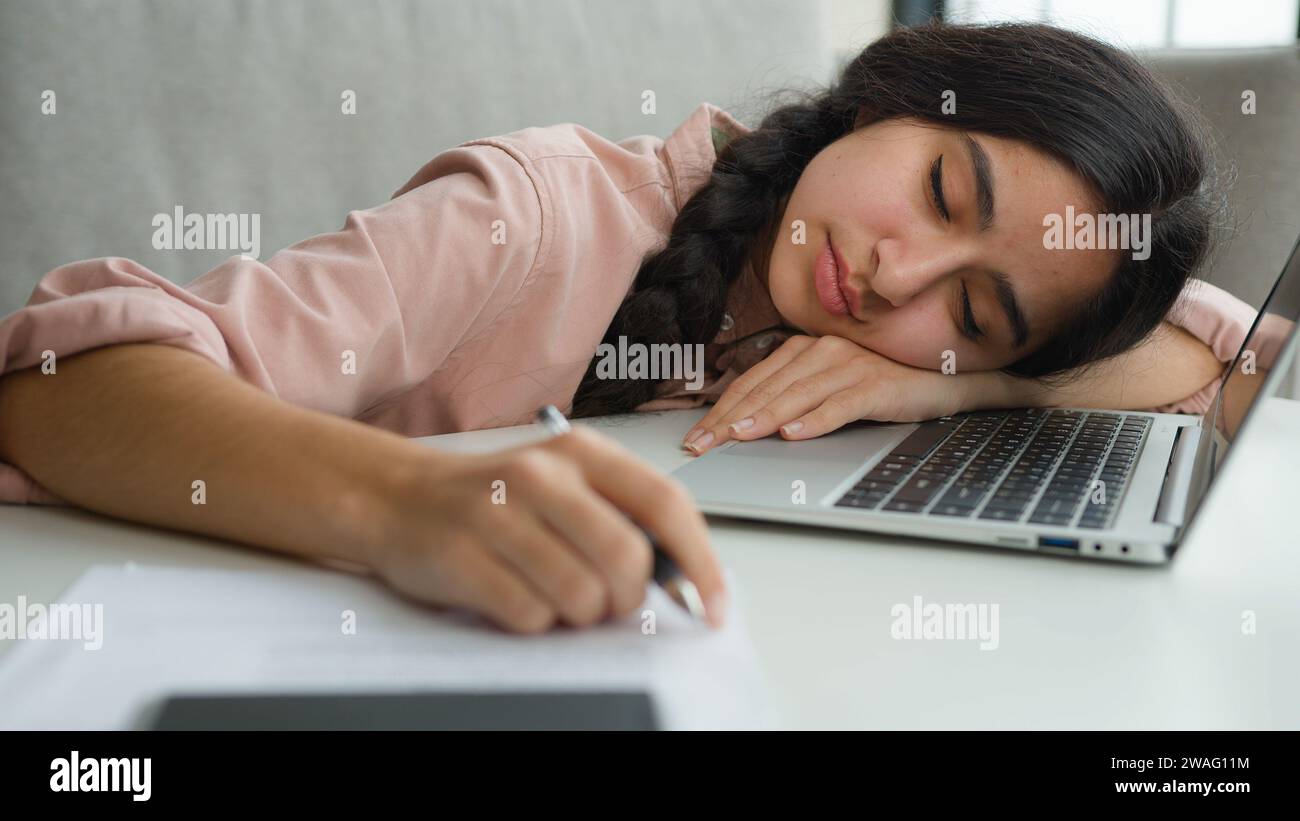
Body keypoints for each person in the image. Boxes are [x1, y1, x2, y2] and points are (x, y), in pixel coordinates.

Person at [0, 22, 1253, 633]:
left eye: (972, 310)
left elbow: (1237, 359)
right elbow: (59, 376)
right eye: (940, 191)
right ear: (884, 93)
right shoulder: (533, 216)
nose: (895, 275)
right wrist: (403, 504)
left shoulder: (868, 355)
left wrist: (968, 391)